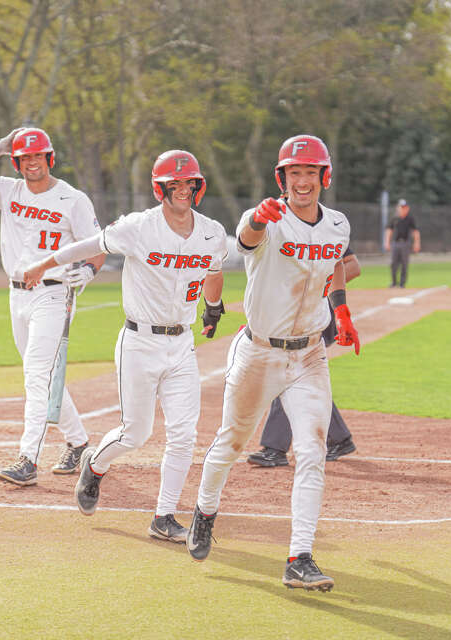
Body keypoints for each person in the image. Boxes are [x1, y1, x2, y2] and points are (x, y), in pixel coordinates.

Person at [23, 149, 227, 543]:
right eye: (175, 184)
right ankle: (95, 467)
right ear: (160, 188)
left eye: (189, 183)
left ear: (198, 187)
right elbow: (89, 245)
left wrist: (213, 307)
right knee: (135, 433)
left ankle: (164, 515)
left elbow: (214, 272)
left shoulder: (212, 232)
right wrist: (43, 265)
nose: (183, 190)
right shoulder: (138, 227)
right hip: (139, 342)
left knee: (184, 435)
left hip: (181, 344)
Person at [186, 134, 360, 592]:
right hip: (260, 352)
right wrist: (259, 220)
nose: (302, 182)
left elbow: (337, 262)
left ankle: (299, 556)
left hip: (309, 354)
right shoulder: (266, 217)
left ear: (325, 177)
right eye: (293, 174)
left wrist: (341, 311)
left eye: (310, 173)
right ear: (281, 179)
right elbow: (247, 238)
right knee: (231, 442)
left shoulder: (337, 223)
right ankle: (204, 511)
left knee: (312, 449)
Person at [0, 127, 105, 486]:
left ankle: (28, 459)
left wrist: (88, 271)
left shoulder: (73, 199)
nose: (32, 163)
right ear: (17, 162)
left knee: (36, 375)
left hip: (53, 294)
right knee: (44, 375)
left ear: (49, 158)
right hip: (16, 293)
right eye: (24, 158)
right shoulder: (8, 190)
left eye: (38, 156)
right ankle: (80, 443)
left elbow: (98, 247)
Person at [246, 249, 361, 467]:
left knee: (288, 373)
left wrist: (317, 284)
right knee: (302, 377)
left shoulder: (325, 228)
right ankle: (339, 438)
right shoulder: (281, 232)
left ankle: (275, 448)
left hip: (315, 314)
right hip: (288, 314)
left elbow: (353, 266)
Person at [384, 198, 420, 288]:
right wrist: (387, 242)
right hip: (395, 243)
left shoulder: (410, 218)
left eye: (405, 207)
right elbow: (389, 230)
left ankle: (402, 284)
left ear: (407, 208)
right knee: (393, 263)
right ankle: (394, 282)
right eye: (401, 207)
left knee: (404, 264)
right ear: (398, 208)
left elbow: (415, 231)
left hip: (406, 244)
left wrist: (417, 243)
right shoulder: (394, 218)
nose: (403, 209)